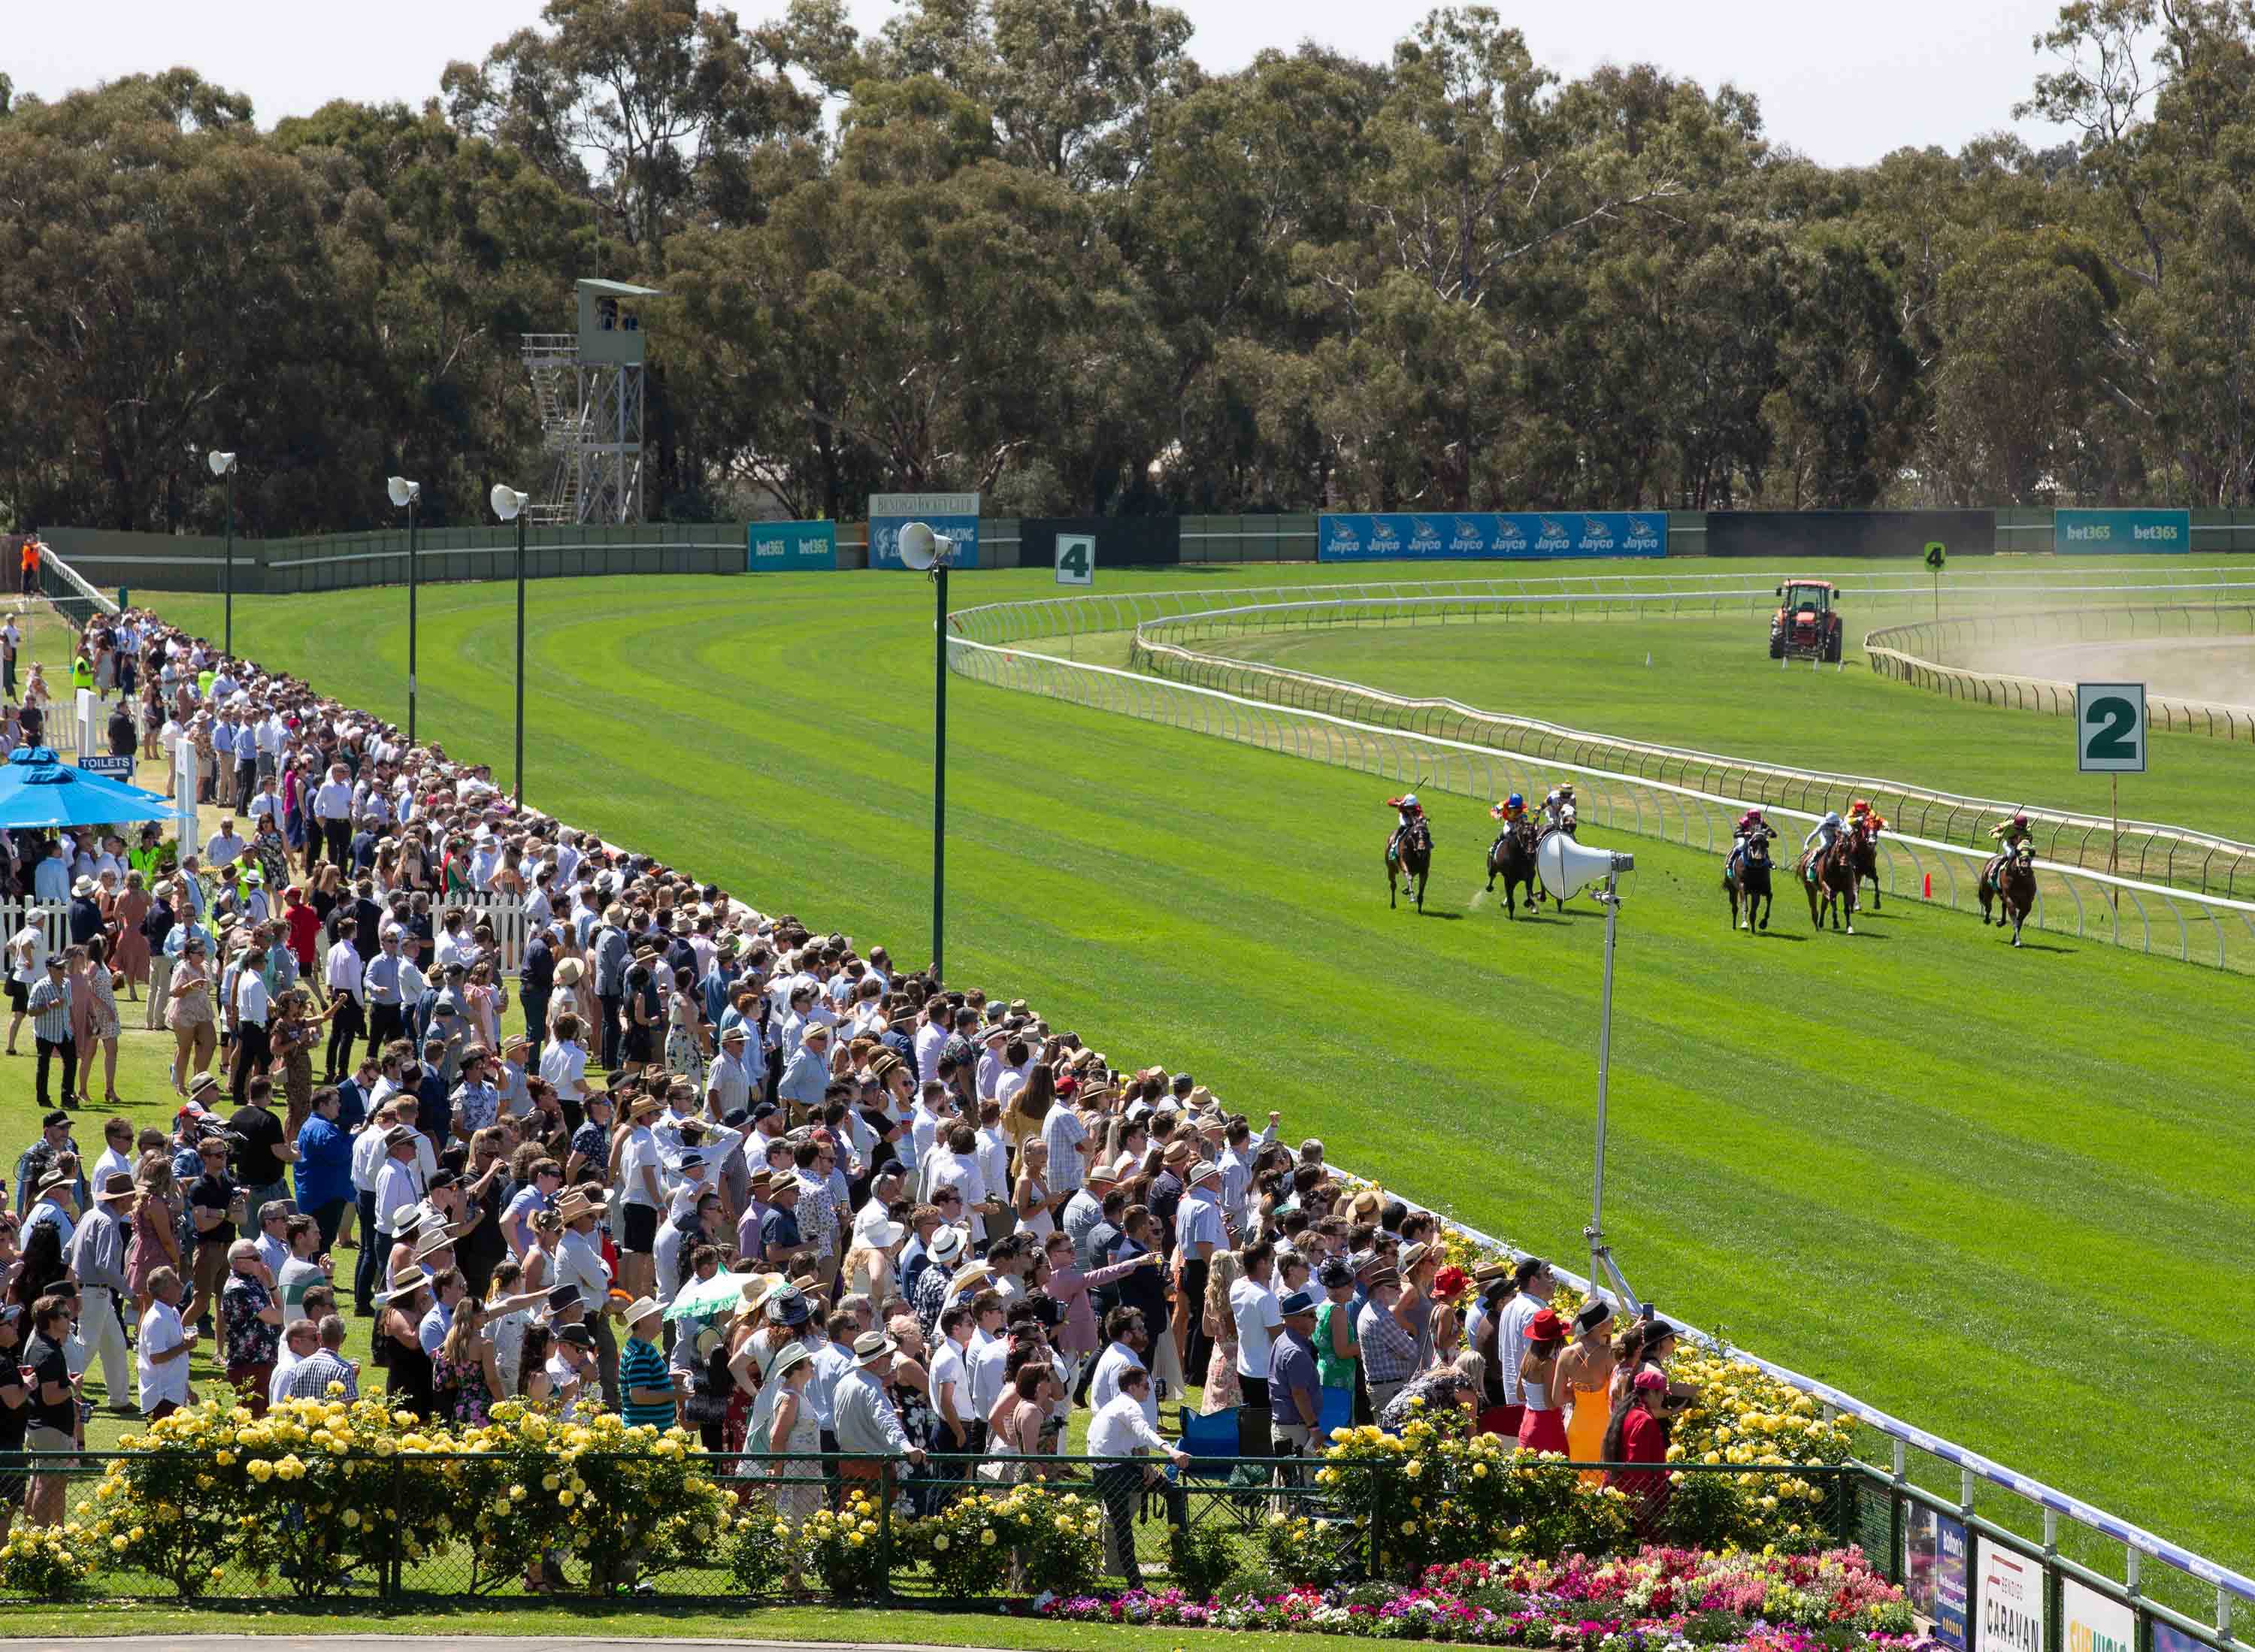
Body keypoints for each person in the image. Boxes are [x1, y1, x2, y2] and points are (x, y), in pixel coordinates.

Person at [1087, 1363, 1189, 1583]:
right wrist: (1171, 1450)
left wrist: (1145, 1465)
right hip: (1118, 1472)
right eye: (1146, 1387)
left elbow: (1132, 1440)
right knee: (1174, 1494)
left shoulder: (1113, 1406)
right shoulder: (1130, 1407)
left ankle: (1137, 1584)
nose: (1150, 1392)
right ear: (1132, 1387)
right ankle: (1182, 1557)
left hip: (1106, 1471)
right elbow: (1144, 1433)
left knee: (1125, 1527)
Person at [67, 1171, 137, 1412]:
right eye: (130, 1196)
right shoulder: (107, 1223)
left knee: (115, 1344)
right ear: (120, 1200)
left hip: (91, 1292)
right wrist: (131, 1294)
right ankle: (57, 1391)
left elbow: (68, 1251)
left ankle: (119, 1400)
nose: (133, 1200)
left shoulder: (90, 1215)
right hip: (95, 1293)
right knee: (86, 1347)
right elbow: (105, 1266)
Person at [219, 1237, 285, 1416]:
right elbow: (278, 1317)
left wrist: (271, 1284)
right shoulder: (240, 1289)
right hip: (250, 1363)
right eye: (255, 1258)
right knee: (255, 1420)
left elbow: (280, 1313)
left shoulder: (253, 1282)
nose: (261, 1261)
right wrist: (271, 1285)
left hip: (261, 1361)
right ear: (239, 1263)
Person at [1604, 1368, 1672, 1533]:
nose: (1663, 1398)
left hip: (1623, 1490)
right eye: (1661, 1394)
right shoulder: (1645, 1419)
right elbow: (1637, 1464)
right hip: (1639, 1498)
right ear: (1650, 1393)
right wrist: (1644, 1501)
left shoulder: (1628, 1411)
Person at [1560, 1297, 1616, 1477]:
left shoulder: (1566, 1353)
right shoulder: (1608, 1355)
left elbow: (1557, 1398)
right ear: (1600, 1326)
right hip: (1603, 1428)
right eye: (1611, 1319)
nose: (1614, 1322)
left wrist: (1579, 1393)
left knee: (1580, 1482)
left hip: (1577, 1426)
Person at [137, 1266, 195, 1419]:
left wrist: (186, 1390)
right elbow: (156, 1358)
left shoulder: (173, 1312)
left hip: (173, 1393)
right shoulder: (157, 1319)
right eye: (176, 1283)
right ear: (164, 1293)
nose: (182, 1285)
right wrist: (185, 1346)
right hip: (161, 1397)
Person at [1516, 1306, 1571, 1453]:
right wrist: (1572, 1392)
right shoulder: (1547, 1364)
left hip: (1528, 1422)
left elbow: (1520, 1395)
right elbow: (1551, 1404)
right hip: (1547, 1426)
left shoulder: (1527, 1357)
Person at [26, 952, 75, 1110]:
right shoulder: (40, 987)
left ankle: (67, 1098)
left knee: (71, 1064)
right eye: (59, 968)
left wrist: (73, 1025)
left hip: (64, 1031)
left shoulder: (67, 983)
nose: (63, 970)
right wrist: (49, 1006)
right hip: (46, 1033)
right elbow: (31, 1011)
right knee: (44, 1066)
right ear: (49, 969)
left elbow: (69, 1006)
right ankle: (43, 1099)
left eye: (64, 967)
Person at [1385, 791, 1427, 866]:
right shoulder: (1402, 801)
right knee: (1404, 826)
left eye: (1412, 807)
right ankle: (1393, 846)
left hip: (1414, 817)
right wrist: (1397, 804)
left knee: (1421, 828)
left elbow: (1420, 813)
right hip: (1404, 817)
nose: (1410, 809)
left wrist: (1421, 818)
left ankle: (1426, 843)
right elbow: (1389, 802)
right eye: (1408, 807)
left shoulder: (1417, 806)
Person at [1801, 809, 1844, 881]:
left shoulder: (1840, 823)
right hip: (1825, 836)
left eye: (1834, 824)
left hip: (1835, 837)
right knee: (1826, 845)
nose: (1832, 825)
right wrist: (1806, 844)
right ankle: (1812, 862)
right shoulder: (1823, 824)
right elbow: (1814, 834)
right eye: (1830, 824)